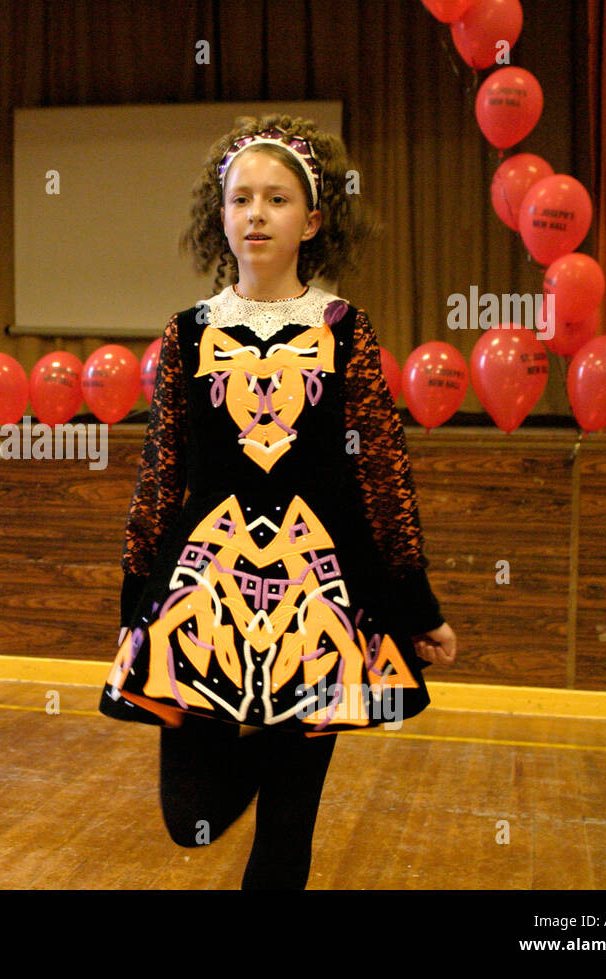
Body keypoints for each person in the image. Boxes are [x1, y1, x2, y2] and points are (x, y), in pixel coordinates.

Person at [99, 115, 458, 889]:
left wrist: (415, 604)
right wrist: (135, 603)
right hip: (203, 605)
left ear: (313, 220)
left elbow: (383, 480)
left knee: (290, 823)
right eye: (241, 199)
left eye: (278, 199)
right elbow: (160, 476)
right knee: (188, 814)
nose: (257, 213)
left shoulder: (347, 331)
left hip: (320, 612)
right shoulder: (188, 334)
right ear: (219, 216)